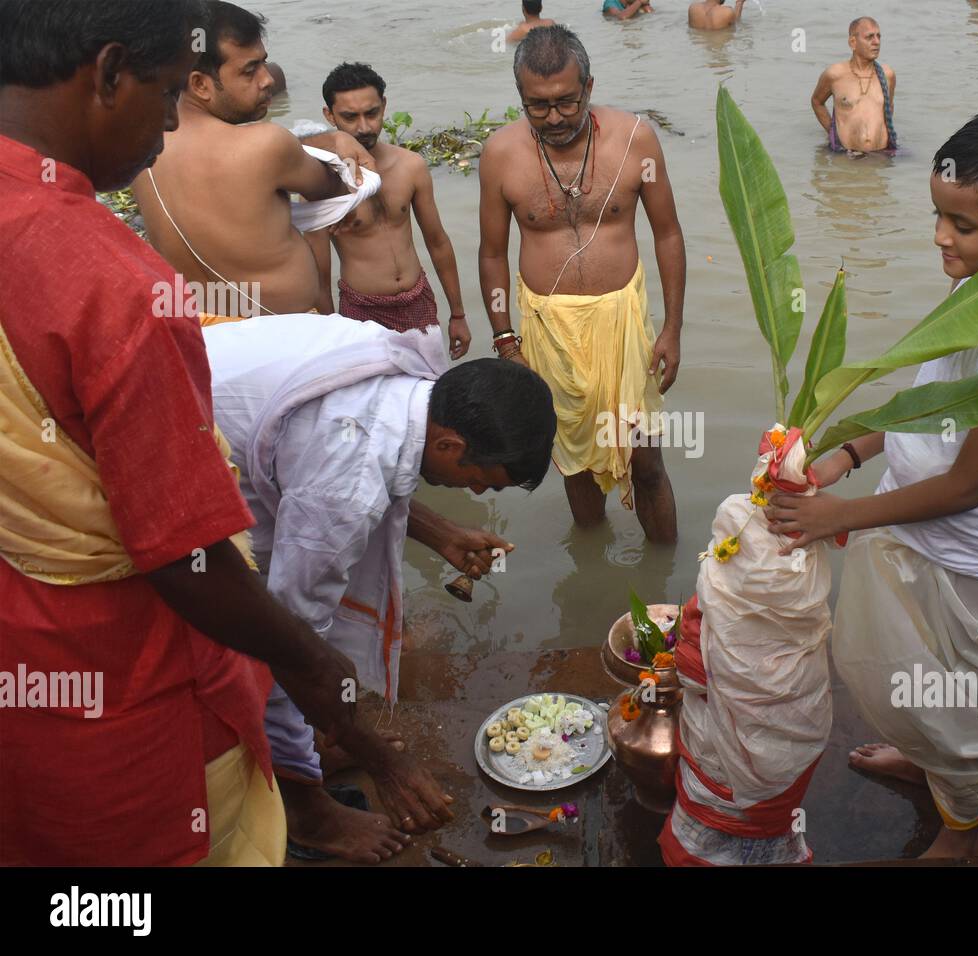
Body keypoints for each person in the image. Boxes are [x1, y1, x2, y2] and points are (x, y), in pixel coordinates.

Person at [0, 0, 359, 866]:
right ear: (110, 71)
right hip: (127, 689)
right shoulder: (110, 282)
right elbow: (183, 554)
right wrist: (313, 671)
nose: (166, 132)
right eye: (165, 98)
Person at [768, 109, 978, 857]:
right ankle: (929, 763)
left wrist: (839, 515)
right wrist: (849, 453)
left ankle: (962, 832)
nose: (941, 237)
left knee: (972, 710)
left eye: (961, 225)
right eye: (937, 215)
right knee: (918, 680)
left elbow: (970, 483)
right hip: (920, 534)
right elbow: (931, 404)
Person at [204, 312, 555, 861]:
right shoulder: (345, 481)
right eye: (482, 481)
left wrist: (440, 532)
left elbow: (372, 458)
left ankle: (316, 737)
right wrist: (385, 764)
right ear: (449, 445)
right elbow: (290, 640)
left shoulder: (411, 387)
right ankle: (303, 810)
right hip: (174, 432)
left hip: (241, 417)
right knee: (276, 631)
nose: (480, 493)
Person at [479, 26, 684, 543]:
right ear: (521, 97)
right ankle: (593, 575)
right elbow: (491, 254)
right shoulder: (500, 154)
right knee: (573, 461)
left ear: (588, 87)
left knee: (647, 460)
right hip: (548, 327)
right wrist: (505, 339)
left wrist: (673, 329)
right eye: (537, 106)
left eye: (566, 103)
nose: (553, 118)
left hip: (623, 322)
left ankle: (666, 580)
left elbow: (668, 233)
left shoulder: (636, 138)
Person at [133, 1, 376, 317]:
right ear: (200, 84)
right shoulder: (265, 145)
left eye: (264, 63)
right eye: (250, 70)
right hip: (276, 337)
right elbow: (336, 188)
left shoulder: (139, 145)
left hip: (200, 328)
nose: (268, 80)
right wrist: (334, 139)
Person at [309, 62, 470, 355]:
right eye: (349, 117)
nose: (364, 127)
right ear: (329, 116)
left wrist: (458, 313)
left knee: (428, 393)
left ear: (384, 105)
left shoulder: (410, 166)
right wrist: (333, 334)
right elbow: (319, 273)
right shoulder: (321, 183)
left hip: (418, 301)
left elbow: (438, 242)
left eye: (372, 113)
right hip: (361, 310)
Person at [811, 16, 897, 154]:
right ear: (853, 42)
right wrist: (834, 133)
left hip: (880, 157)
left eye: (878, 36)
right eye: (869, 37)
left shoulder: (888, 75)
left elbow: (889, 107)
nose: (876, 42)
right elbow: (816, 102)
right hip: (846, 158)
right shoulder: (834, 75)